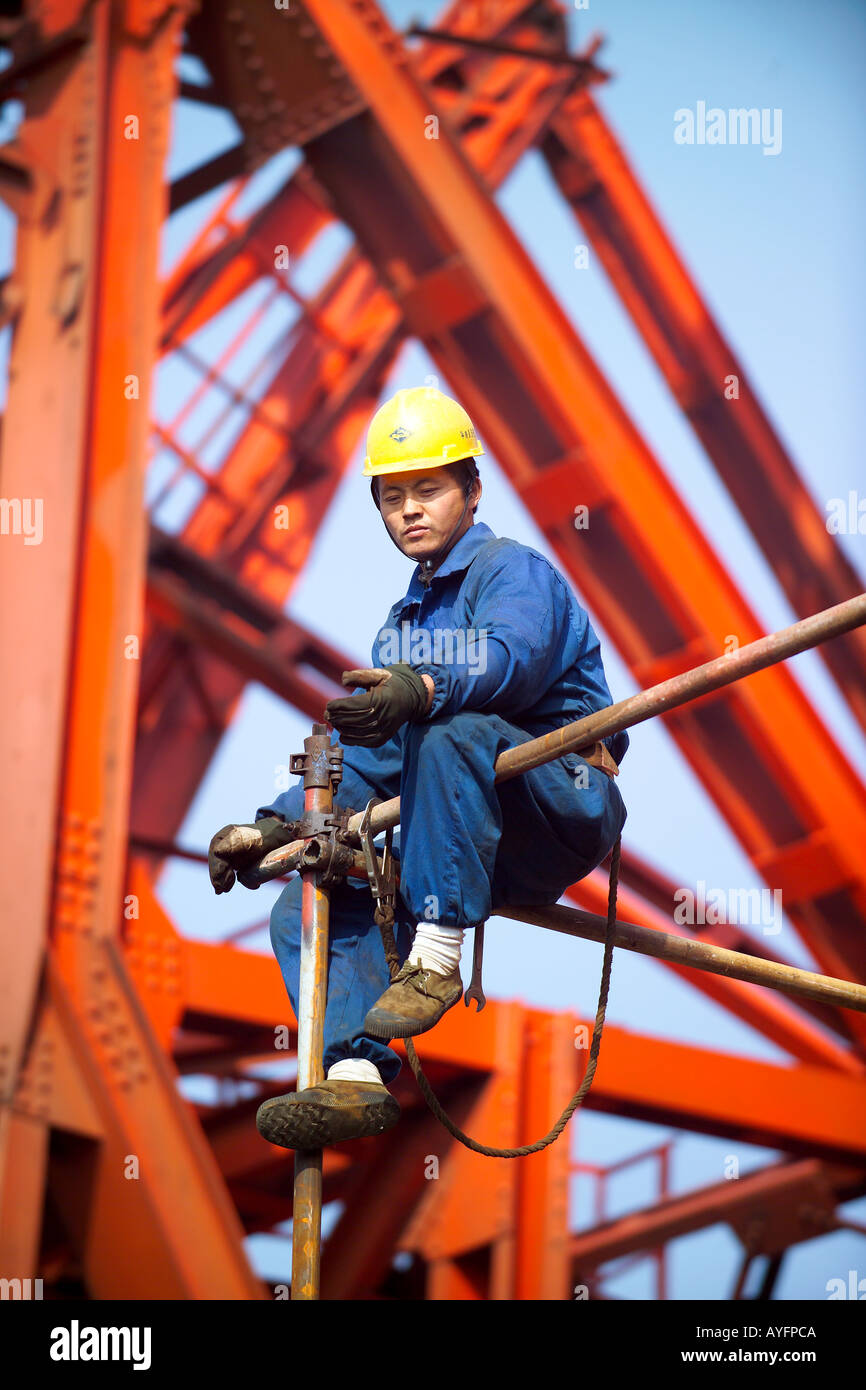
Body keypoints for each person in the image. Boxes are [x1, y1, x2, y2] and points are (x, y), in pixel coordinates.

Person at [207, 385, 628, 1150]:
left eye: (429, 488)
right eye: (392, 495)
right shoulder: (401, 628)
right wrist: (274, 826)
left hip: (557, 802)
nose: (410, 509)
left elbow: (510, 659)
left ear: (472, 489)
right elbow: (375, 763)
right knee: (320, 890)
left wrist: (424, 687)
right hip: (470, 842)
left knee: (452, 730)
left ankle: (437, 959)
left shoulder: (512, 571)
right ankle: (353, 1077)